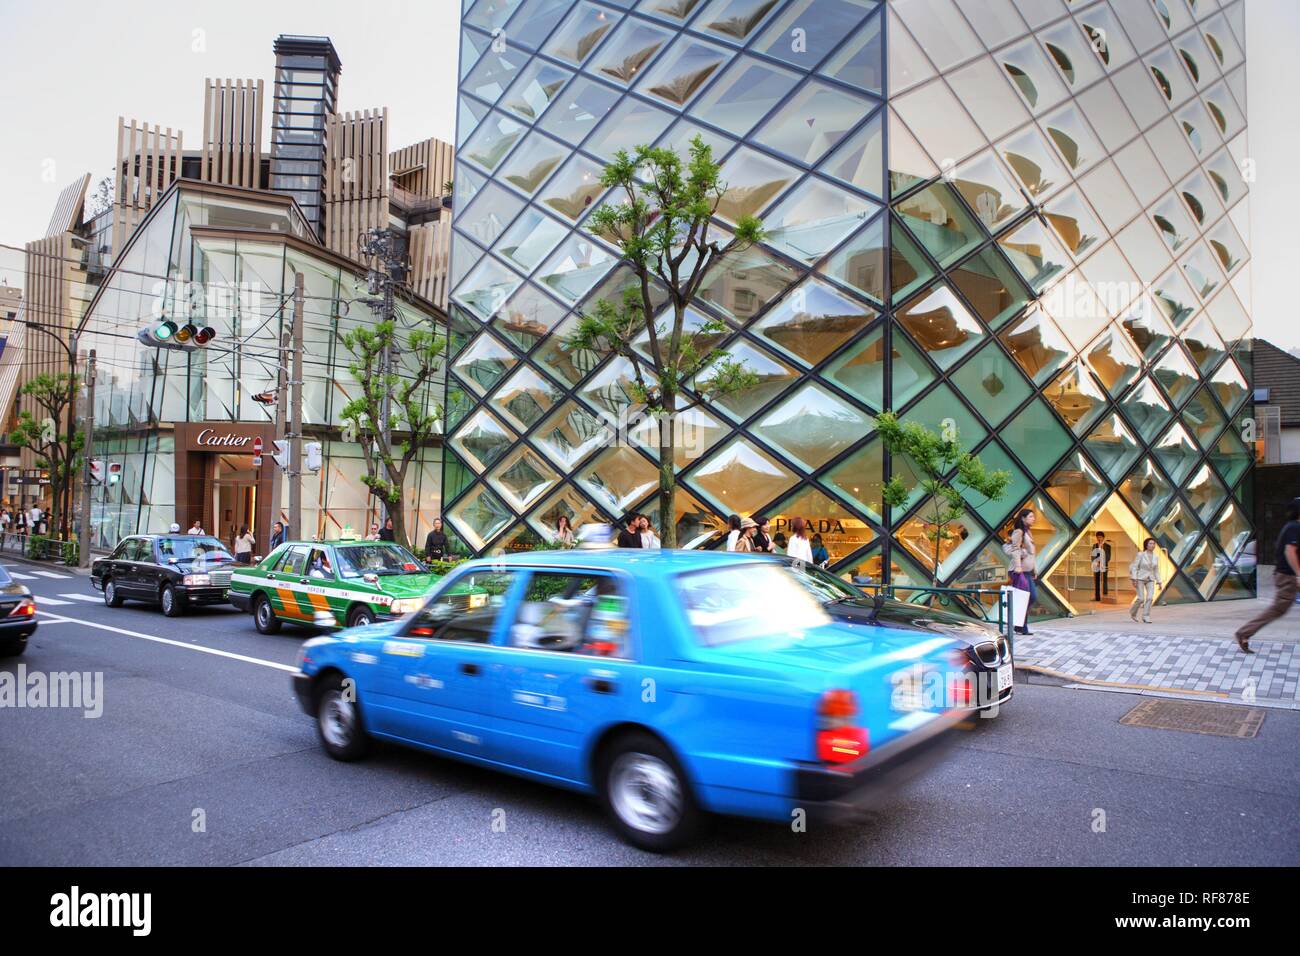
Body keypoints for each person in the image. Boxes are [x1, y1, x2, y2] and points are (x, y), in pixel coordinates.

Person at [1234, 497, 1300, 654]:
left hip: (1287, 575)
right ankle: (1244, 632)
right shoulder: (1293, 528)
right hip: (1287, 576)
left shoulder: (1293, 527)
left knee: (1279, 609)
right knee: (1278, 609)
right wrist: (1298, 574)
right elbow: (1289, 551)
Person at [1006, 508, 1037, 635]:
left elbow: (1032, 554)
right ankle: (1019, 625)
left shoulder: (1028, 532)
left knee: (1030, 597)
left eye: (1033, 516)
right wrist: (1018, 566)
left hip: (1027, 571)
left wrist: (1035, 569)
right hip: (1020, 571)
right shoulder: (1019, 532)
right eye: (1030, 516)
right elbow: (1015, 549)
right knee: (1027, 597)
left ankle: (1020, 625)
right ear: (1023, 518)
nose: (1033, 518)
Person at [1128, 537, 1161, 624]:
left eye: (1154, 543)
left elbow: (1156, 570)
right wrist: (1134, 579)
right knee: (1141, 598)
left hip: (1150, 579)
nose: (1152, 545)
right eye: (1150, 543)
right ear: (1146, 545)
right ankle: (1133, 613)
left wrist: (1159, 581)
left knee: (1150, 598)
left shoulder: (1156, 557)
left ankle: (1146, 616)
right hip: (1140, 578)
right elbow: (1135, 567)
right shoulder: (1141, 554)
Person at [1090, 531, 1111, 602]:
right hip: (1096, 566)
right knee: (1097, 581)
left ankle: (1105, 595)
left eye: (1100, 537)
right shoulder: (1094, 545)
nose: (1099, 538)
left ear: (1103, 537)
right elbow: (1092, 556)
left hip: (1104, 565)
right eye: (1098, 537)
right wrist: (1096, 562)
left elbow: (1108, 557)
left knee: (1104, 580)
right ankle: (1097, 597)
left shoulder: (1108, 546)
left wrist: (1102, 562)